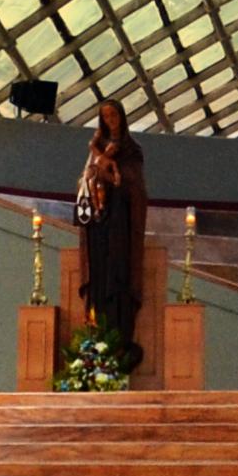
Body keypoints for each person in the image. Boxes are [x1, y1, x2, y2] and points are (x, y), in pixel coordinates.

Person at [72, 100, 148, 381]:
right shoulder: (95, 148)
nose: (110, 119)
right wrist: (94, 174)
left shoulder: (131, 150)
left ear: (122, 117)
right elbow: (84, 182)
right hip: (98, 227)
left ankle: (120, 338)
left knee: (119, 280)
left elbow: (136, 187)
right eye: (105, 116)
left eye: (114, 114)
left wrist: (116, 176)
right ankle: (97, 334)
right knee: (99, 278)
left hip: (121, 227)